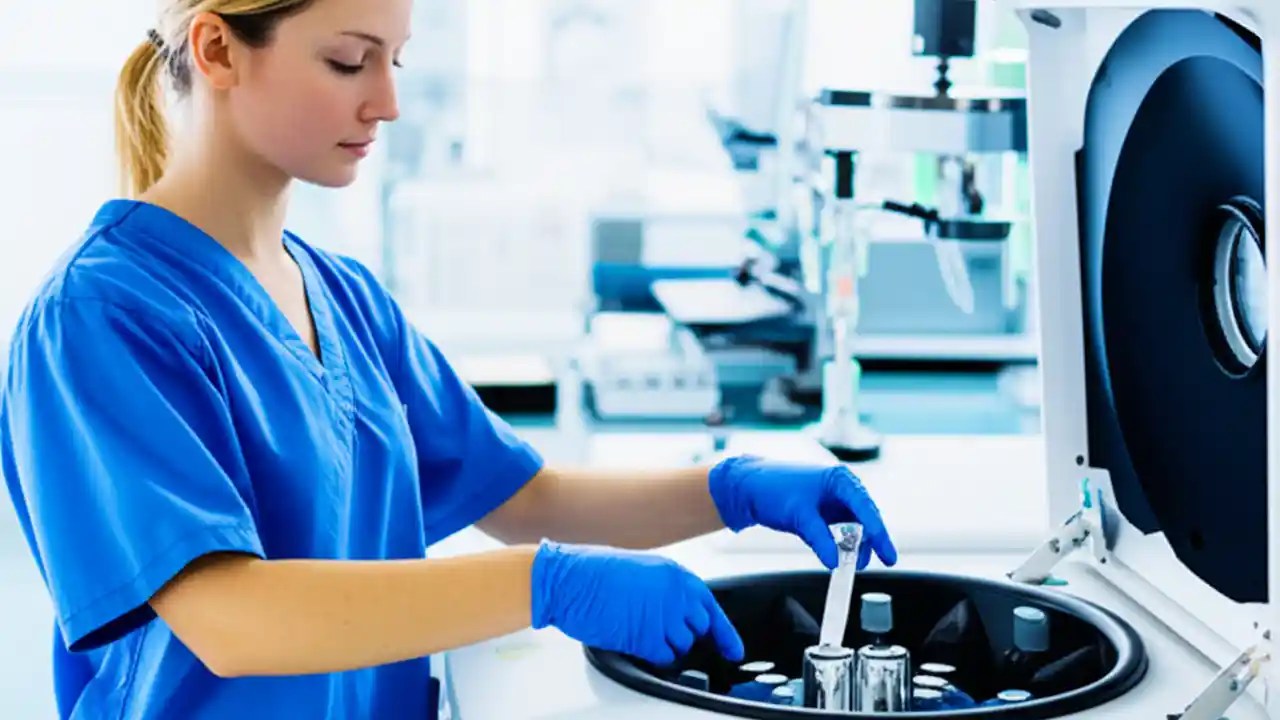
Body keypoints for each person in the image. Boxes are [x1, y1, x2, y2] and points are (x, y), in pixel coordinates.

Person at [0, 1, 898, 718]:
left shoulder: (340, 295)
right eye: (349, 61)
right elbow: (230, 619)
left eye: (397, 61)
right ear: (219, 50)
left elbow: (526, 498)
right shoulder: (103, 315)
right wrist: (547, 583)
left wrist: (730, 491)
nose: (386, 101)